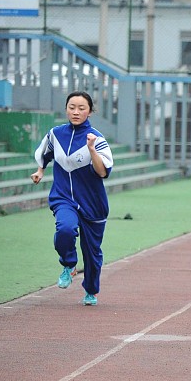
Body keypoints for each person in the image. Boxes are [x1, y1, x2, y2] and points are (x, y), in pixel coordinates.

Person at [30, 91, 114, 307]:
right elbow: (45, 153)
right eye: (72, 107)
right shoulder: (56, 134)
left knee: (92, 253)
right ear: (66, 109)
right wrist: (40, 171)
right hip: (63, 197)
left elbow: (103, 171)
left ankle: (91, 290)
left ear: (90, 111)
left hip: (93, 203)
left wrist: (91, 149)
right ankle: (69, 264)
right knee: (65, 229)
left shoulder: (97, 139)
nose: (76, 112)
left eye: (81, 108)